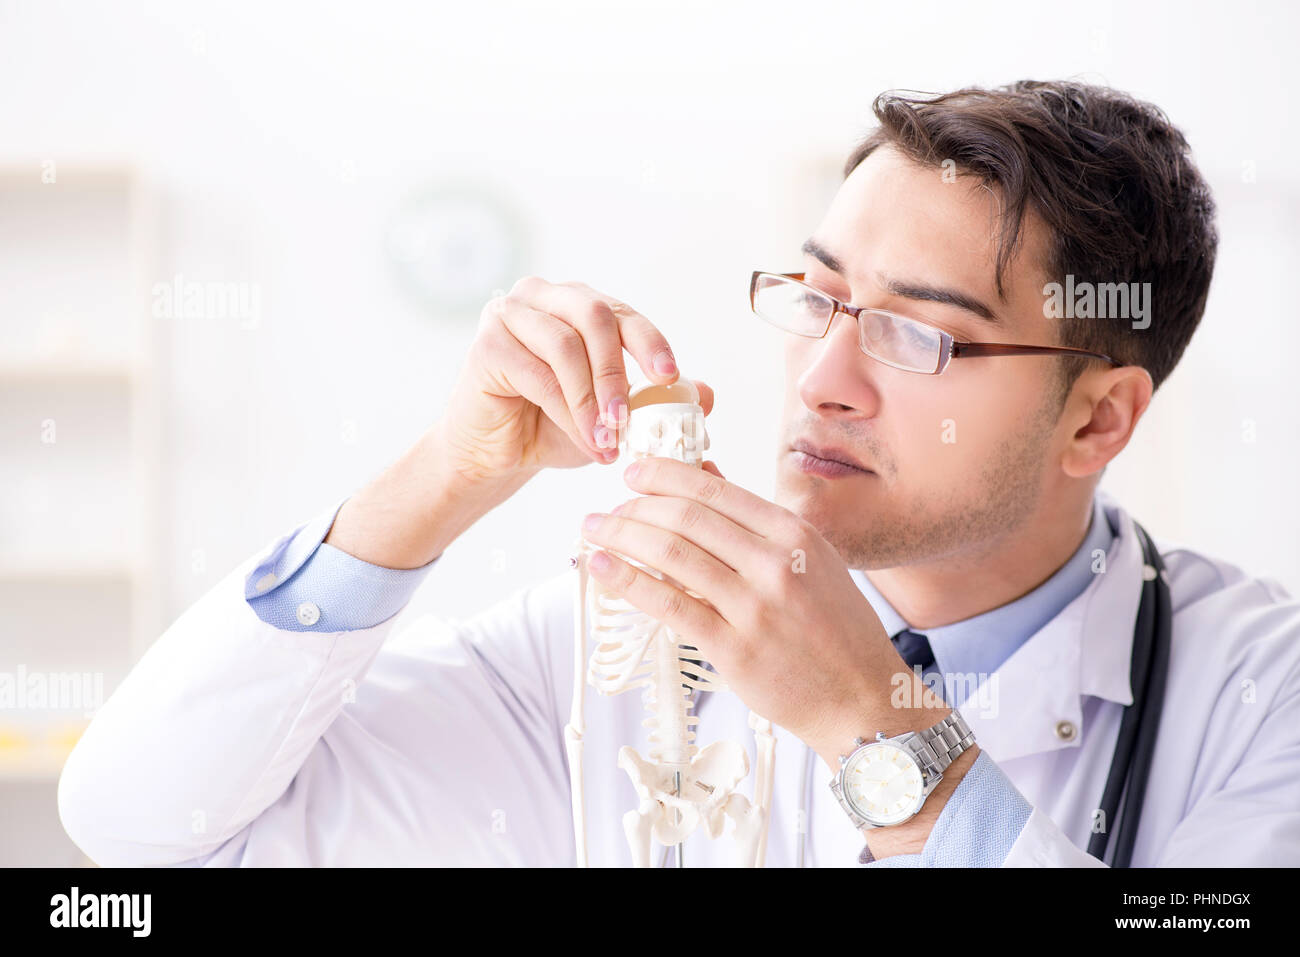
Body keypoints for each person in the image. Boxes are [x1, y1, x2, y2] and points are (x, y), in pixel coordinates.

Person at [58, 80, 1300, 867]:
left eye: (916, 334)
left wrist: (874, 730)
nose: (822, 375)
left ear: (1096, 422)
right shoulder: (618, 652)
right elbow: (142, 827)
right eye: (815, 297)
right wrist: (441, 477)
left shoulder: (1259, 694)